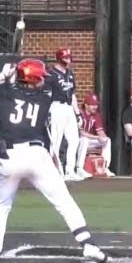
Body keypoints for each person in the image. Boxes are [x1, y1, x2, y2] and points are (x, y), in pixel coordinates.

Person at [0, 59, 110, 263]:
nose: (42, 80)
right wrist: (18, 74)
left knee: (1, 207)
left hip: (9, 156)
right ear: (34, 79)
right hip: (36, 155)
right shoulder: (45, 95)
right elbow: (51, 80)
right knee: (63, 201)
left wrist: (2, 75)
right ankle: (87, 243)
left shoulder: (3, 92)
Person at [47, 47, 82, 181]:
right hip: (56, 106)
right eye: (65, 57)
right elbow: (47, 94)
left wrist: (77, 114)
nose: (68, 59)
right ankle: (53, 171)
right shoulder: (51, 74)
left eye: (69, 57)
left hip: (68, 108)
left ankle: (69, 171)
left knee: (74, 140)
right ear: (59, 58)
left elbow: (73, 95)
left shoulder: (70, 74)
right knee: (56, 140)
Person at [74, 92, 114, 178]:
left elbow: (100, 131)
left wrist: (103, 136)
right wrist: (96, 137)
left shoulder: (96, 115)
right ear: (86, 105)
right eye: (92, 105)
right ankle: (79, 168)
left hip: (89, 140)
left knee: (107, 140)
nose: (95, 107)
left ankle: (105, 166)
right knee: (84, 139)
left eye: (96, 104)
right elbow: (80, 132)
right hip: (77, 141)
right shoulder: (79, 114)